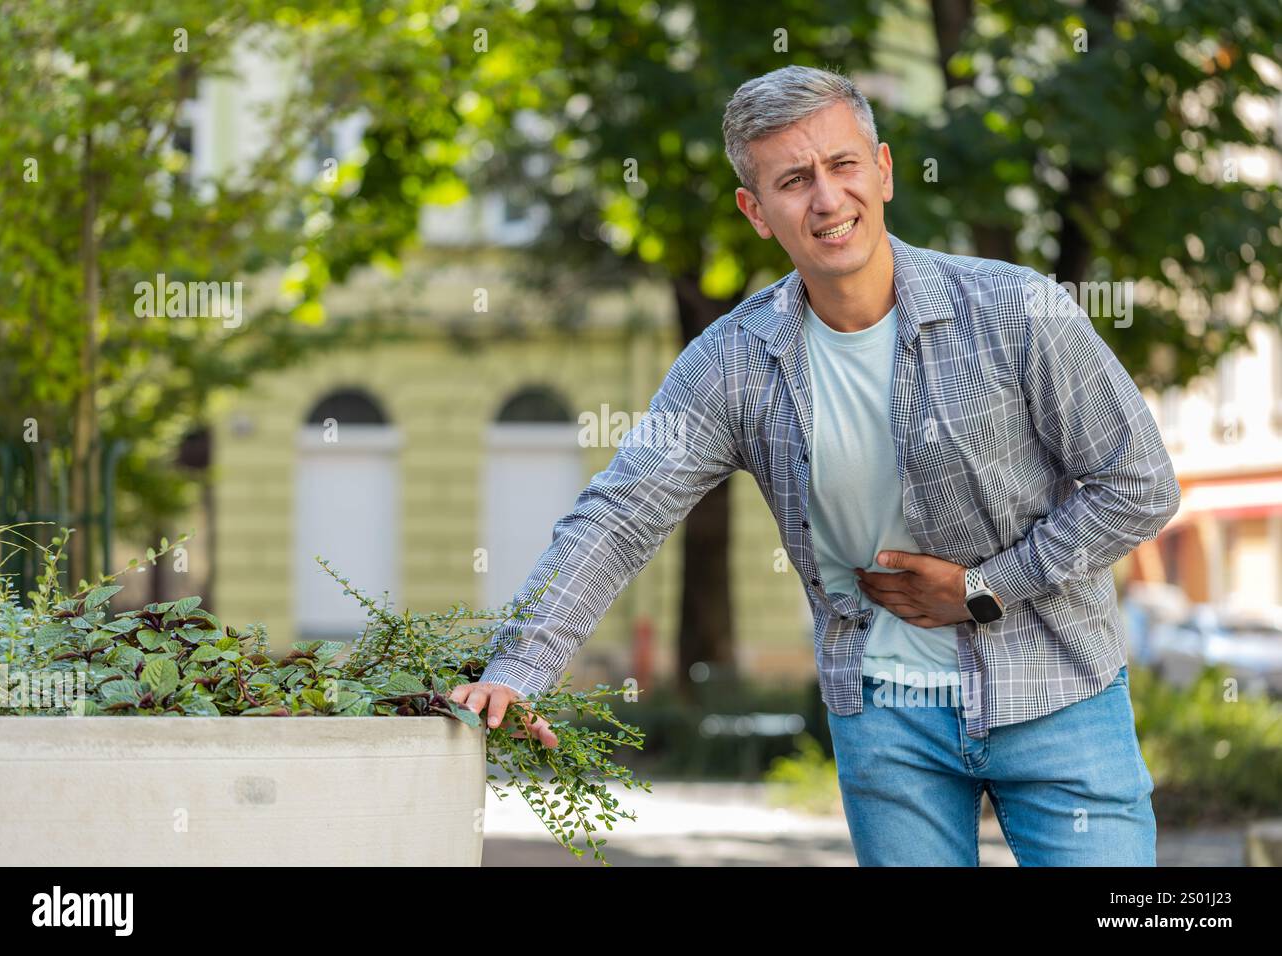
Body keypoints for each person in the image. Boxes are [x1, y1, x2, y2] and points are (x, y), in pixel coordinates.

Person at [451, 64, 1180, 865]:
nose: (827, 199)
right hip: (887, 719)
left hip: (1059, 692)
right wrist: (519, 666)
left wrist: (985, 589)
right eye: (794, 181)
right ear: (756, 211)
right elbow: (622, 513)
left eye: (842, 166)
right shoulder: (730, 365)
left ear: (885, 170)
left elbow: (1139, 484)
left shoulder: (1016, 310)